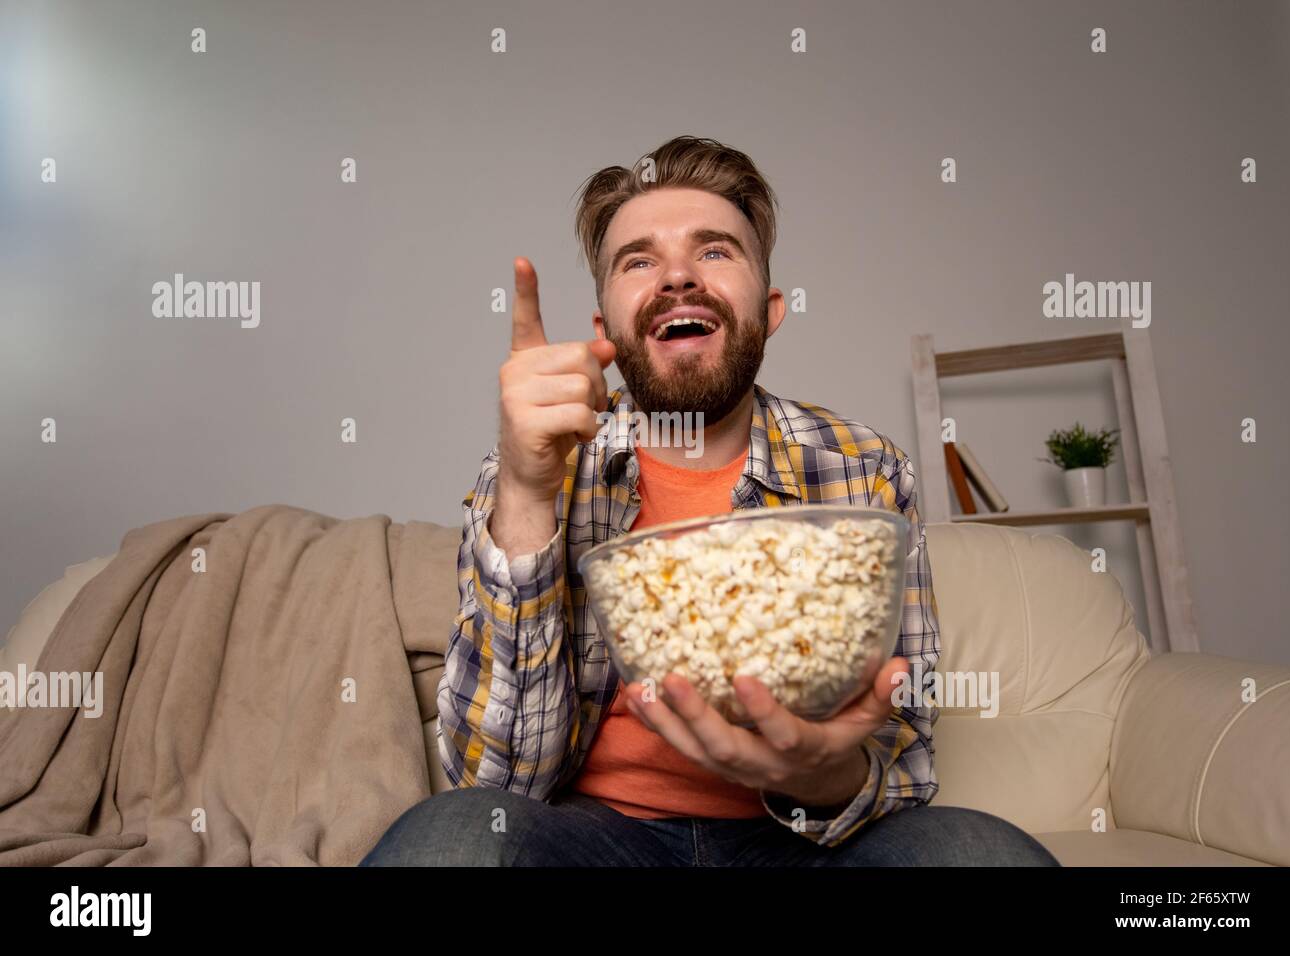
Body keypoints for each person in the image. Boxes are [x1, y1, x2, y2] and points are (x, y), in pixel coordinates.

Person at [362, 135, 1058, 866]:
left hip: (804, 841)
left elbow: (904, 762)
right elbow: (499, 783)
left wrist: (818, 771)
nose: (678, 278)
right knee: (455, 840)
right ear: (604, 328)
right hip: (598, 842)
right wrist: (529, 494)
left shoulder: (864, 470)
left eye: (716, 251)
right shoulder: (528, 471)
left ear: (771, 307)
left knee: (982, 853)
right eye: (639, 261)